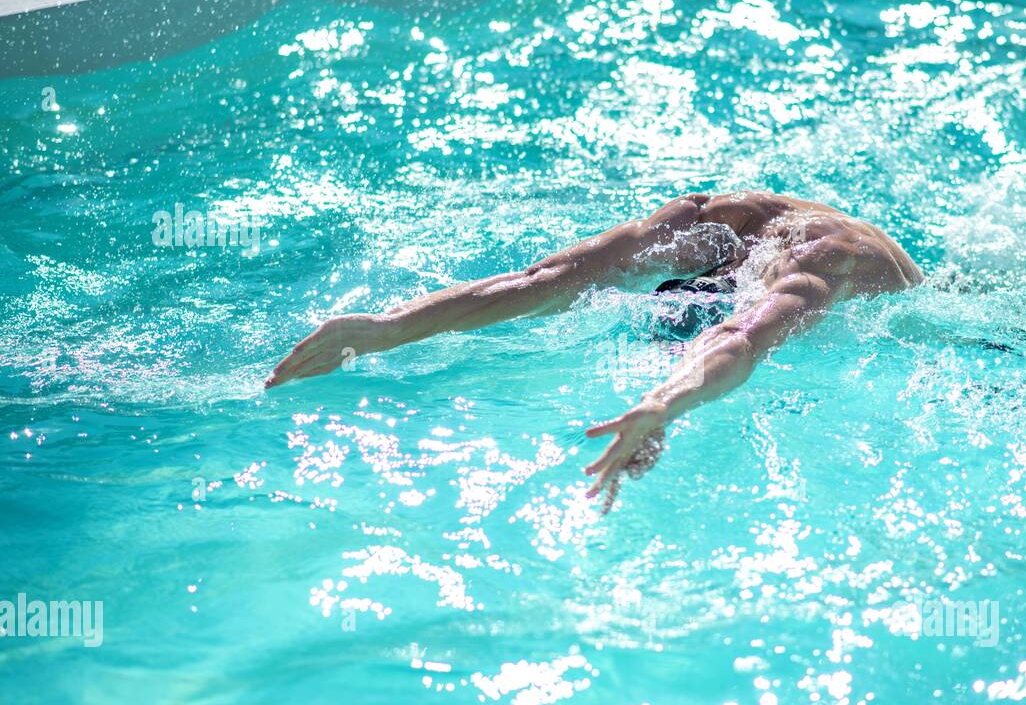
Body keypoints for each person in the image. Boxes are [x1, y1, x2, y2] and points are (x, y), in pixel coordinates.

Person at [265, 191, 925, 507]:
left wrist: (664, 403)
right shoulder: (708, 222)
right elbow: (544, 280)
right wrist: (386, 328)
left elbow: (741, 339)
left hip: (925, 323)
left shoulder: (817, 270)